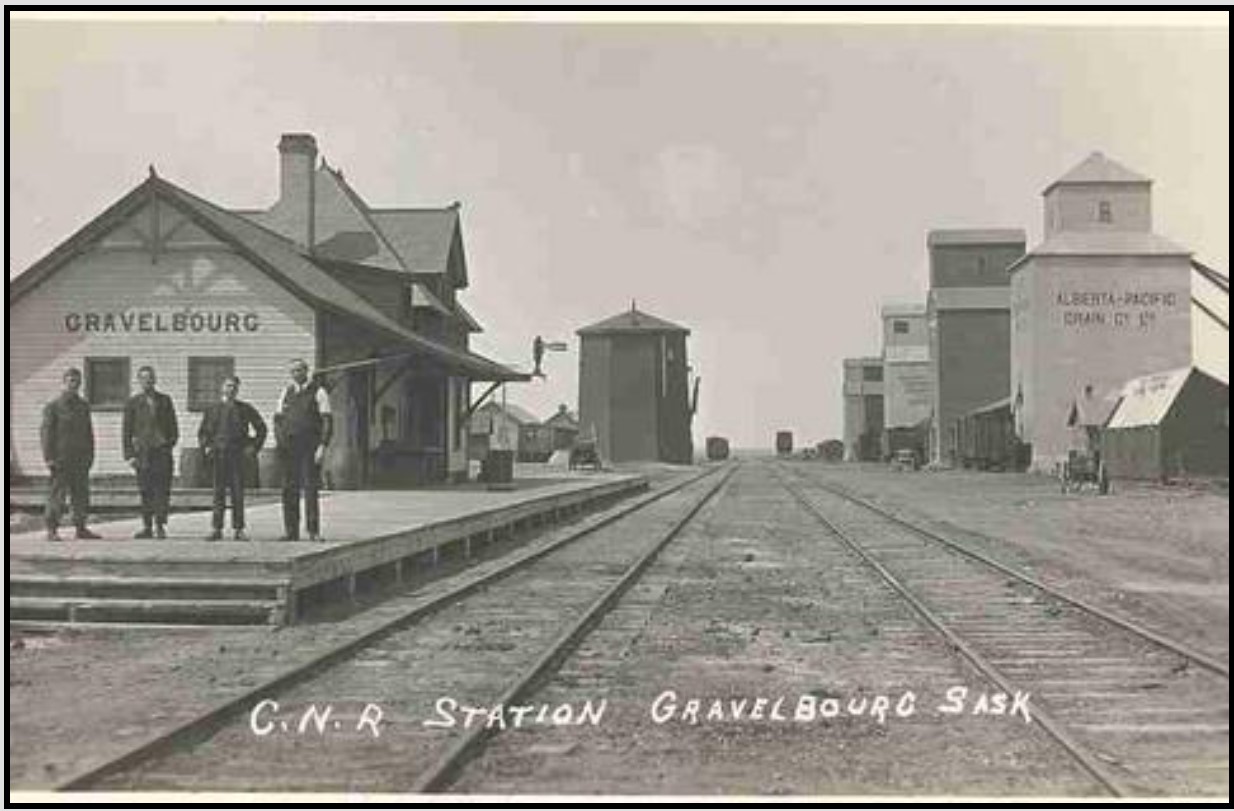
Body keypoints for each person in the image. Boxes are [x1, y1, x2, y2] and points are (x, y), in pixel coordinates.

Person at [198, 375, 267, 541]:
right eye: (228, 386)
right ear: (222, 388)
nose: (231, 389)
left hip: (237, 456)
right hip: (219, 455)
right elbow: (203, 432)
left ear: (238, 390)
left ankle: (239, 529)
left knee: (237, 493)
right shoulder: (212, 409)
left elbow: (261, 429)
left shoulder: (245, 409)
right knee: (218, 493)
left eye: (234, 387)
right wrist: (206, 446)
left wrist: (252, 447)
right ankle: (216, 529)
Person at [274, 359, 332, 542]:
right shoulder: (286, 392)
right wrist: (280, 441)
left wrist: (322, 446)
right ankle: (291, 531)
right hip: (289, 448)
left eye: (299, 370)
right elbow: (277, 420)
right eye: (293, 371)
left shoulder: (319, 391)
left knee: (310, 488)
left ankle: (313, 531)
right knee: (288, 489)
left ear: (306, 371)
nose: (296, 374)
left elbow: (327, 421)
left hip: (309, 447)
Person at [41, 367, 101, 541]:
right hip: (60, 459)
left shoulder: (83, 407)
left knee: (81, 494)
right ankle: (52, 529)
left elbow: (88, 433)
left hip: (80, 459)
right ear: (64, 382)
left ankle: (81, 528)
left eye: (76, 381)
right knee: (57, 495)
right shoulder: (53, 407)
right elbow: (46, 434)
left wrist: (90, 455)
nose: (73, 384)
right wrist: (49, 458)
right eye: (70, 381)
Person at [122, 365, 179, 539]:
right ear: (139, 381)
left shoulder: (165, 400)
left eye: (150, 378)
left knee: (162, 490)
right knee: (145, 490)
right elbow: (126, 431)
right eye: (144, 378)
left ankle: (160, 526)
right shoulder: (133, 403)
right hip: (142, 454)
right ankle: (147, 526)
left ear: (155, 380)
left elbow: (173, 428)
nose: (148, 381)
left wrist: (167, 444)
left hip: (161, 453)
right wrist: (130, 455)